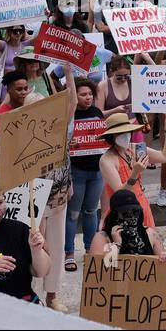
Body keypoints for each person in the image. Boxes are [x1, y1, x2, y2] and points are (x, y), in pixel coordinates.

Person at [65, 78, 107, 271]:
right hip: (77, 172)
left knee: (91, 212)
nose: (88, 97)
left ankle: (91, 250)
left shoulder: (97, 113)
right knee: (73, 214)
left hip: (96, 172)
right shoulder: (69, 115)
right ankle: (69, 253)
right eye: (83, 94)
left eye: (90, 94)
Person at [88, 189, 166, 263]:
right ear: (115, 216)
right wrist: (116, 245)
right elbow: (96, 270)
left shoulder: (150, 234)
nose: (131, 218)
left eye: (135, 212)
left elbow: (164, 266)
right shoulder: (102, 238)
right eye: (125, 214)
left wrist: (164, 257)